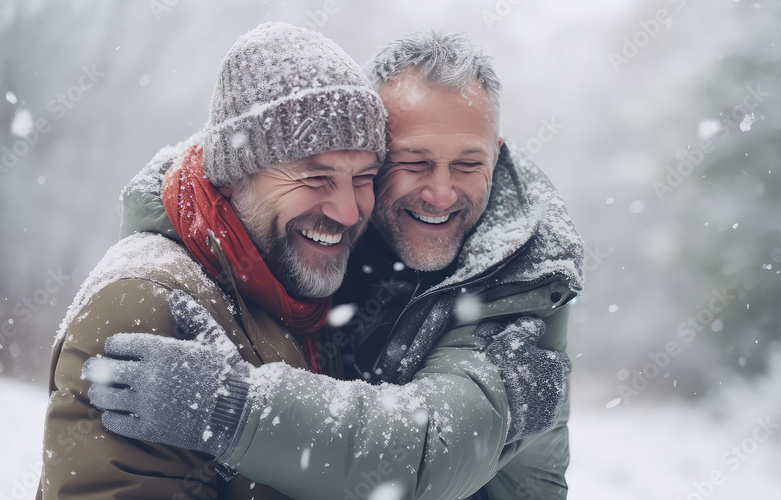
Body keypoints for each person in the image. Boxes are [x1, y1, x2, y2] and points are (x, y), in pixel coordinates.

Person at [86, 31, 583, 499]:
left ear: (496, 154)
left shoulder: (524, 276)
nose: (440, 193)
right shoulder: (327, 225)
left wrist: (231, 406)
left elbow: (438, 445)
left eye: (468, 164)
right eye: (413, 162)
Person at [36, 22, 388, 499]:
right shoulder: (144, 304)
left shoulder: (297, 292)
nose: (347, 211)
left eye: (364, 178)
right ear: (232, 177)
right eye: (315, 177)